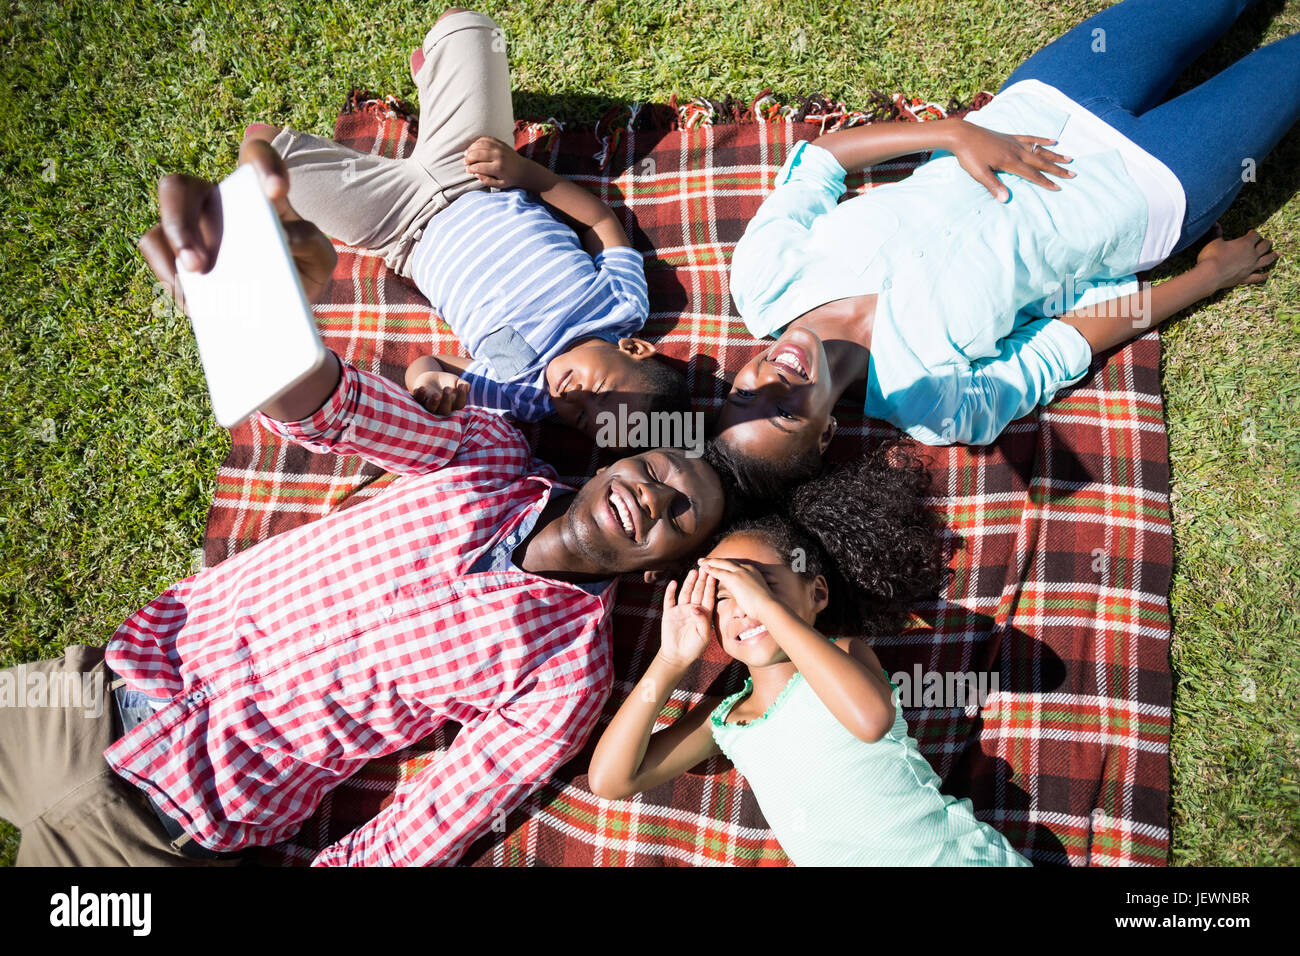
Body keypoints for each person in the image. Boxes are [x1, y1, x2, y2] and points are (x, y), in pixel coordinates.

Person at [0, 138, 728, 867]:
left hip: (154, 833)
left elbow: (425, 828)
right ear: (621, 458)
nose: (652, 496)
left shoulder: (566, 679)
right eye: (659, 468)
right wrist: (260, 312)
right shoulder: (490, 452)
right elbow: (329, 408)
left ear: (663, 569)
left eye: (679, 515)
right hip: (74, 700)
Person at [716, 0, 1296, 485]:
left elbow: (817, 164)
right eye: (784, 414)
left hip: (1045, 100)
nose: (771, 381)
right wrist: (1206, 278)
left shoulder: (763, 281)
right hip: (1145, 192)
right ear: (825, 434)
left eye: (745, 396)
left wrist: (953, 132)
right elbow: (1067, 342)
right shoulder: (935, 408)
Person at [244, 9, 690, 441]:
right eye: (602, 394)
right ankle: (439, 82)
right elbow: (598, 219)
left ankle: (436, 92)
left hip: (399, 227)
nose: (576, 400)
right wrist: (524, 173)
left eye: (580, 420)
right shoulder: (624, 305)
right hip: (480, 173)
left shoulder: (522, 396)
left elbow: (431, 362)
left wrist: (431, 387)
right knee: (466, 23)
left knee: (258, 148)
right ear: (634, 349)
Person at [588, 450, 1025, 865]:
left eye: (759, 586)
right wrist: (669, 663)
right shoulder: (724, 720)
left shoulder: (842, 653)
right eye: (724, 596)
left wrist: (771, 612)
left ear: (816, 593)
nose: (744, 607)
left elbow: (871, 720)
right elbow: (610, 780)